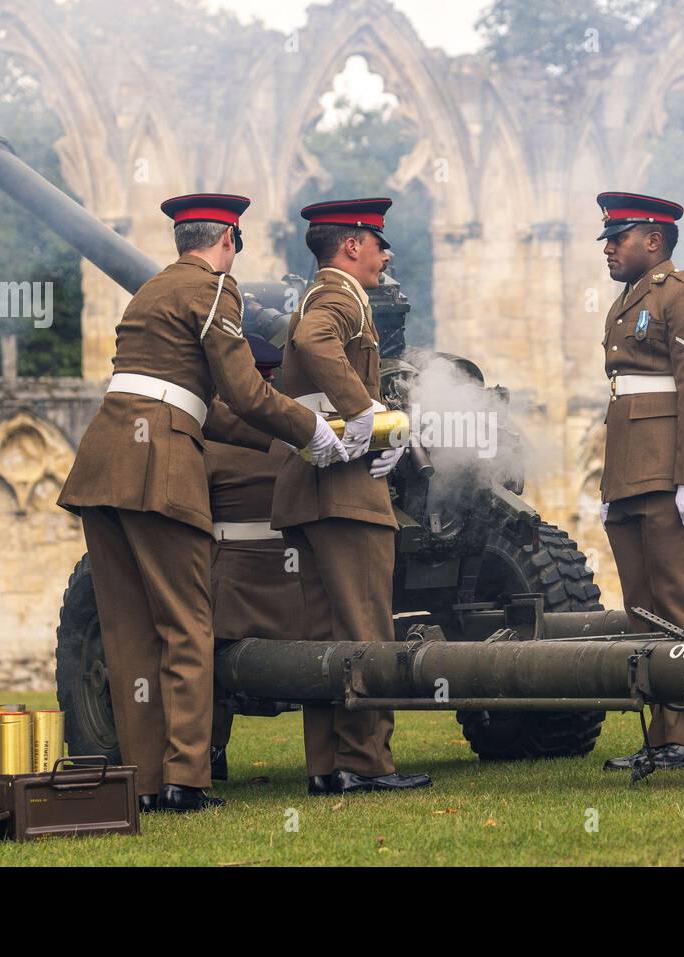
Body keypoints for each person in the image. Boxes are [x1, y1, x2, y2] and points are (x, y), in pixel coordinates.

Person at [58, 194, 346, 812]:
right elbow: (242, 389)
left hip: (103, 466)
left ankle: (143, 781)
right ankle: (186, 780)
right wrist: (310, 429)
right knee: (188, 624)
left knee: (129, 632)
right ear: (229, 242)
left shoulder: (152, 292)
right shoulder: (216, 289)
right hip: (159, 467)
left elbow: (201, 403)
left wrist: (277, 438)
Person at [271, 197, 430, 795]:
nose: (386, 255)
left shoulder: (319, 293)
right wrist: (366, 409)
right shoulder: (340, 296)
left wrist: (376, 424)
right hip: (342, 486)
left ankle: (328, 764)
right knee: (365, 624)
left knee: (326, 635)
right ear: (352, 246)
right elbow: (315, 343)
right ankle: (365, 763)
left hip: (312, 484)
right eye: (378, 243)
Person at [593, 192, 684, 775]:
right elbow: (624, 400)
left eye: (617, 237)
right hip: (631, 474)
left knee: (678, 603)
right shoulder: (626, 303)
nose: (607, 247)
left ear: (653, 240)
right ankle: (660, 736)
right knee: (643, 612)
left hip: (671, 475)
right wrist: (610, 487)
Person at [204, 335, 304, 782]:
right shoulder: (292, 441)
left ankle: (208, 753)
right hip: (290, 588)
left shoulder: (205, 447)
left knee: (205, 669)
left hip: (233, 583)